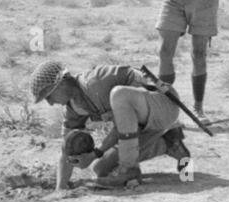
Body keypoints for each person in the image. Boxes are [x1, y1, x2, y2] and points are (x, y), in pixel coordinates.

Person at [29, 60, 190, 192]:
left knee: (118, 94)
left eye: (49, 96)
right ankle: (169, 143)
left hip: (165, 104)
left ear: (62, 83)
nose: (50, 103)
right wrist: (61, 187)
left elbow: (122, 123)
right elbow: (66, 149)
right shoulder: (72, 108)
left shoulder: (95, 83)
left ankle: (129, 170)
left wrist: (96, 152)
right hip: (144, 124)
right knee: (101, 168)